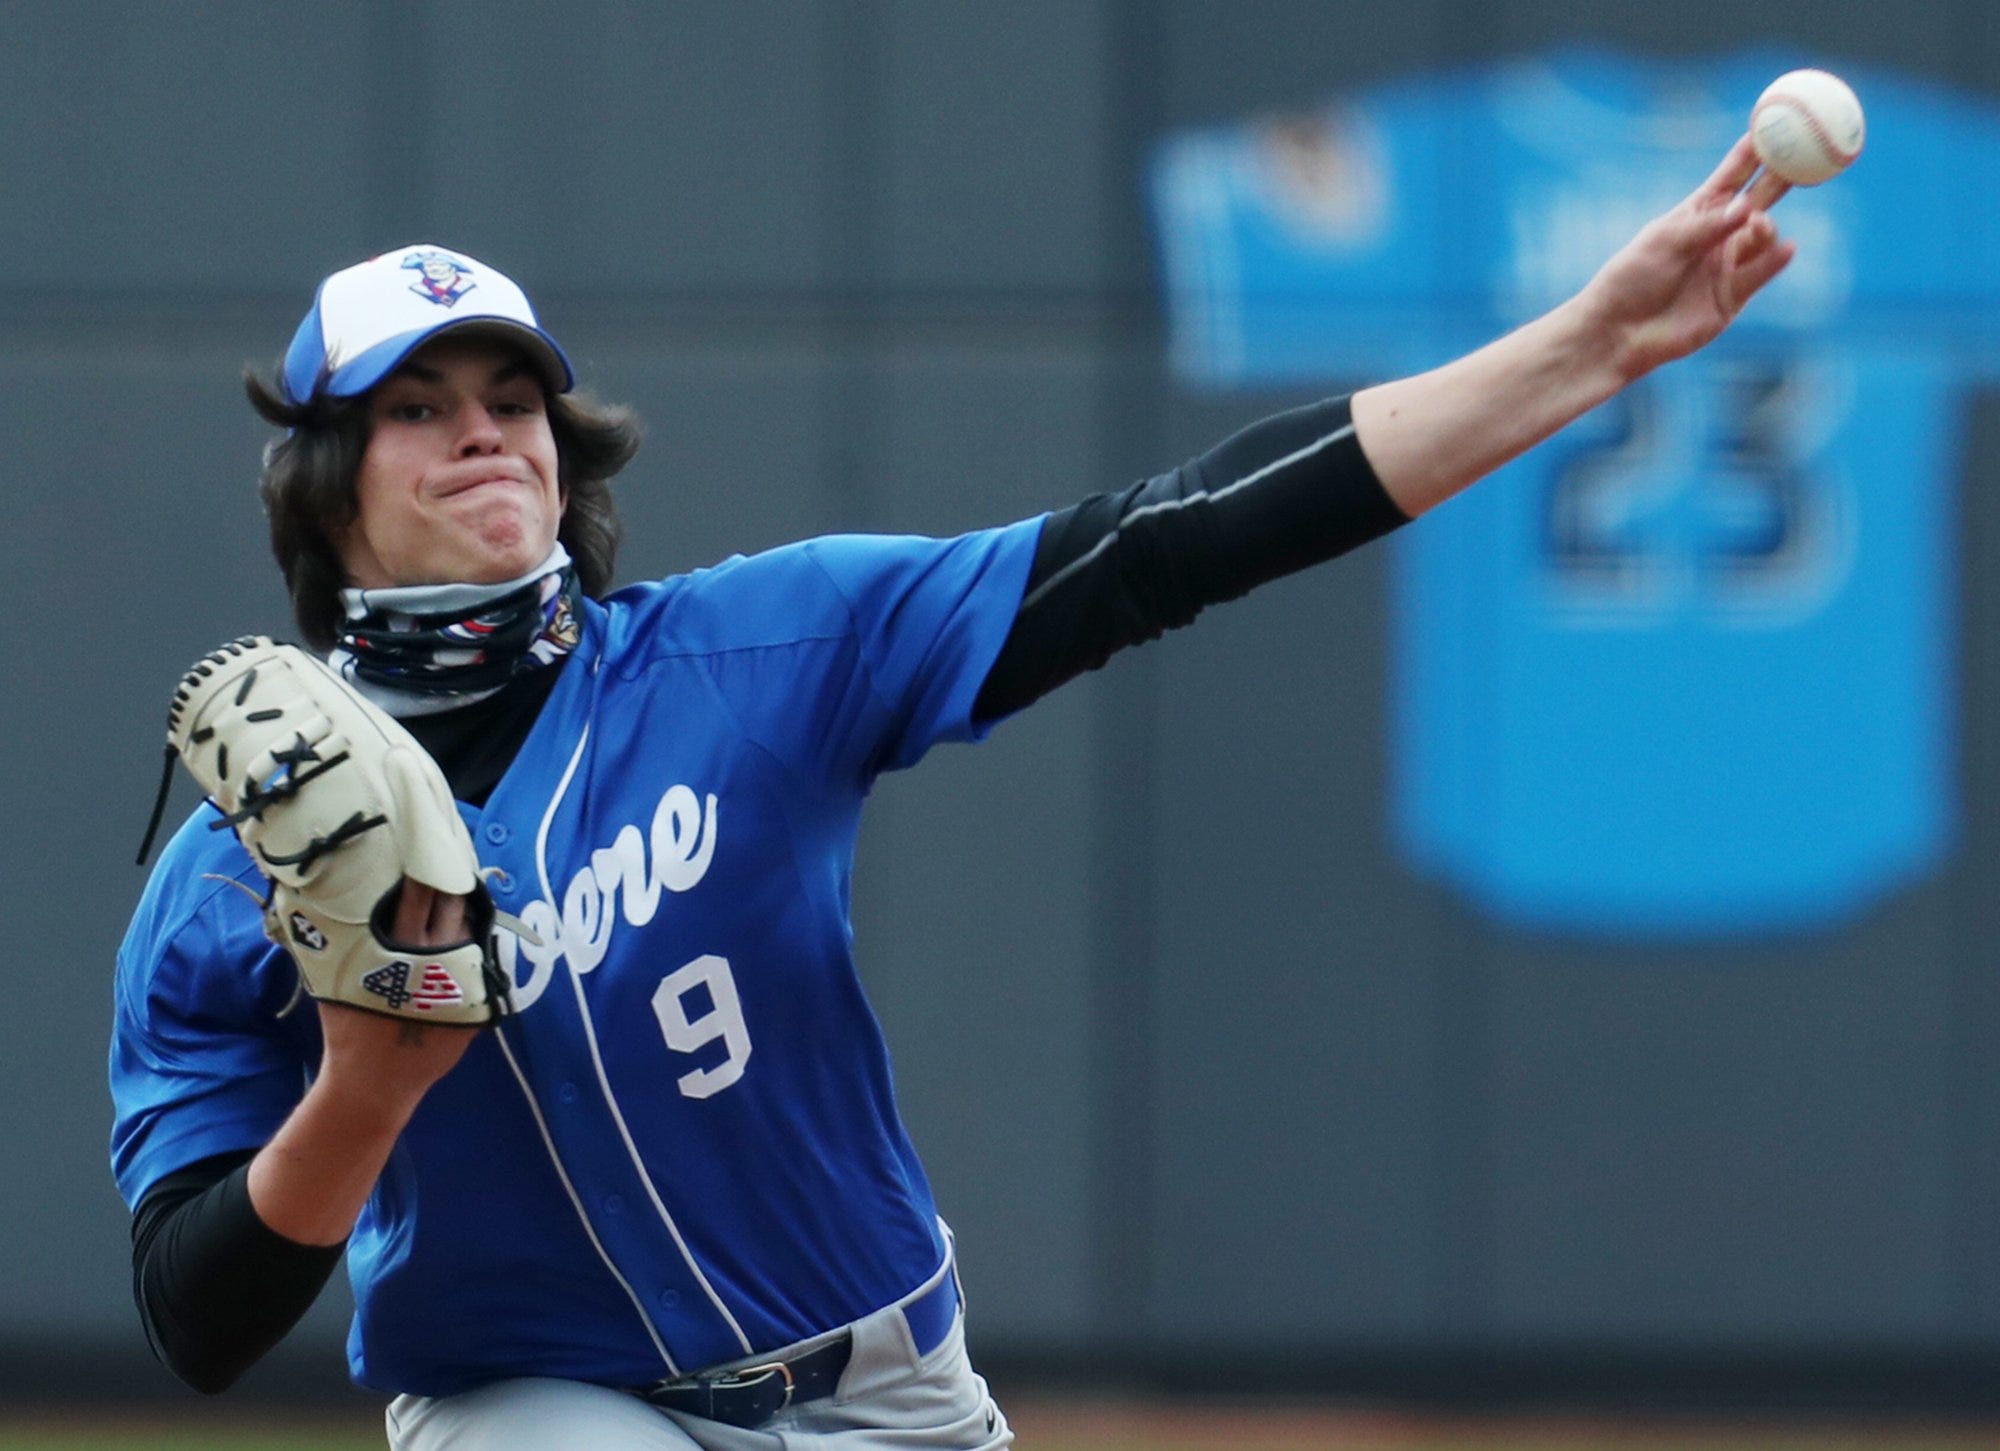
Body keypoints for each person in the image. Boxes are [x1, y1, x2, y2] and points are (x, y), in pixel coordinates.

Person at [110, 137, 1793, 1449]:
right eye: (418, 408)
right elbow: (196, 1315)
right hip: (525, 1400)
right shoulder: (228, 877)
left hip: (883, 1388)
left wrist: (1585, 349)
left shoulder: (755, 652)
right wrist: (369, 1092)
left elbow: (1168, 540)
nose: (486, 435)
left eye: (511, 398)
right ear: (328, 488)